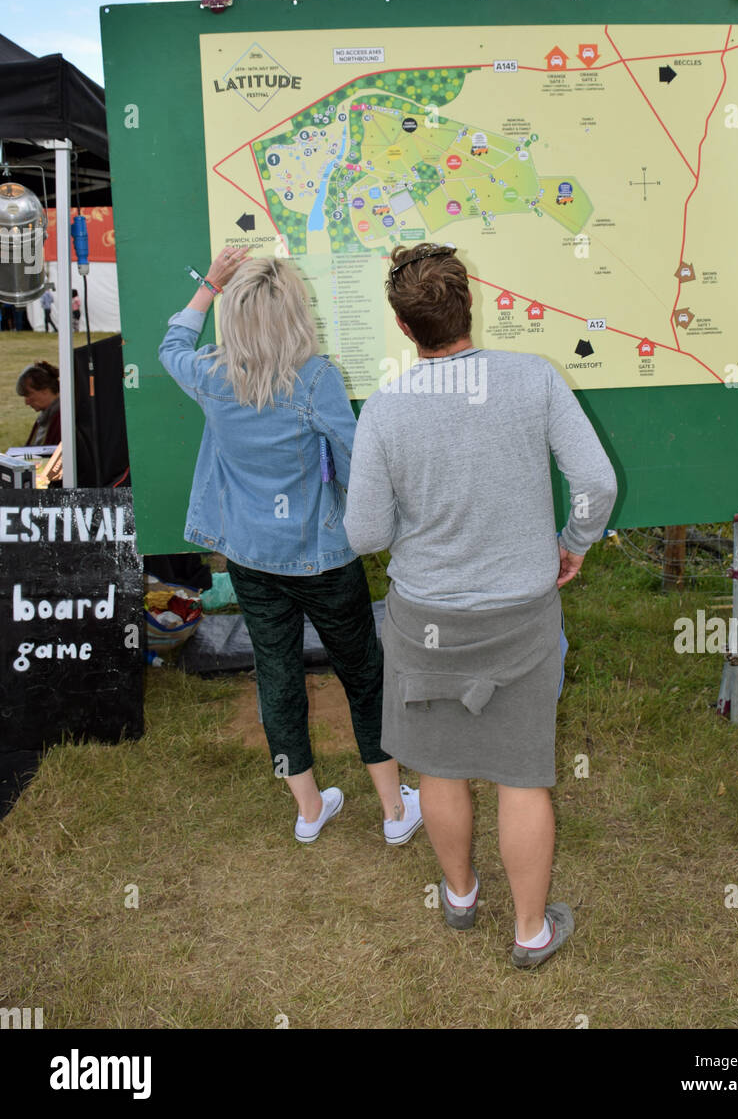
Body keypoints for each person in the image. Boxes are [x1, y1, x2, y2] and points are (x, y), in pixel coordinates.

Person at [344, 243, 618, 968]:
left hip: (425, 616)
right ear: (471, 306)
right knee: (522, 774)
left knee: (438, 765)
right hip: (522, 611)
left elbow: (366, 531)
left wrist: (421, 532)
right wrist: (575, 541)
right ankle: (530, 931)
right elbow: (595, 482)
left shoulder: (385, 408)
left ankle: (460, 895)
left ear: (405, 328)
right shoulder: (533, 379)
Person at [158, 248, 423, 846]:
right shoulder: (318, 376)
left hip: (250, 560)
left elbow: (170, 346)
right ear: (296, 315)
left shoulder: (210, 374)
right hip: (325, 557)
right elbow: (358, 462)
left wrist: (209, 284)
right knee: (363, 674)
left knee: (275, 675)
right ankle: (393, 809)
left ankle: (308, 809)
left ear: (235, 317)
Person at [16, 360, 61, 446]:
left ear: (45, 390)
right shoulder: (45, 418)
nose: (27, 402)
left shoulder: (61, 419)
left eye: (29, 394)